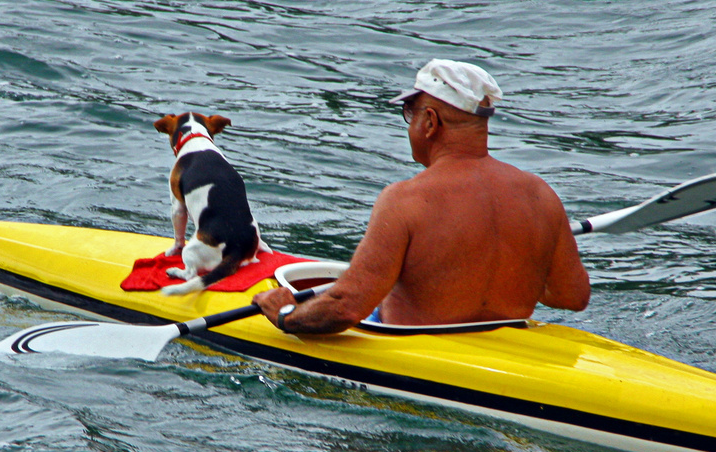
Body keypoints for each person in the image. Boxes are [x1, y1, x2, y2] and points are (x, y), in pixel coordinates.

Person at [252, 59, 590, 335]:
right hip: (504, 348)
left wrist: (285, 314)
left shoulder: (406, 200)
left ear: (430, 122)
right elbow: (572, 296)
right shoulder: (540, 195)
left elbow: (345, 307)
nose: (409, 125)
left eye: (410, 114)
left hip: (415, 354)